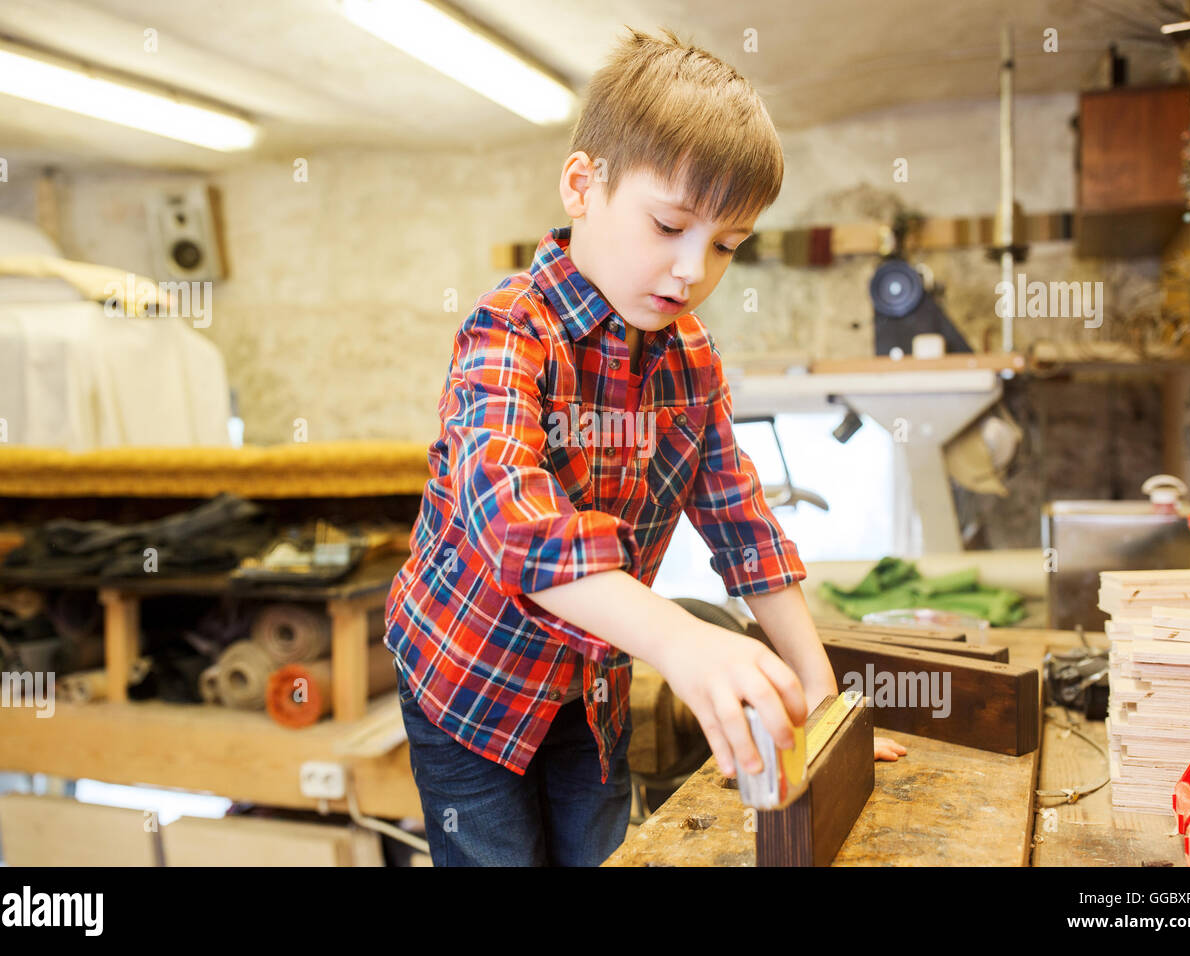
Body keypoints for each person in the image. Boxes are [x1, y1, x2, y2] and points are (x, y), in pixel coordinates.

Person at [384, 25, 905, 868]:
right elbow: (517, 523)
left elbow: (744, 525)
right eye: (669, 226)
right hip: (468, 688)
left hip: (590, 694)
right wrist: (682, 640)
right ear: (583, 186)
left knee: (604, 854)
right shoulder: (509, 330)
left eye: (727, 246)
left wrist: (822, 698)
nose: (691, 272)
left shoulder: (690, 358)